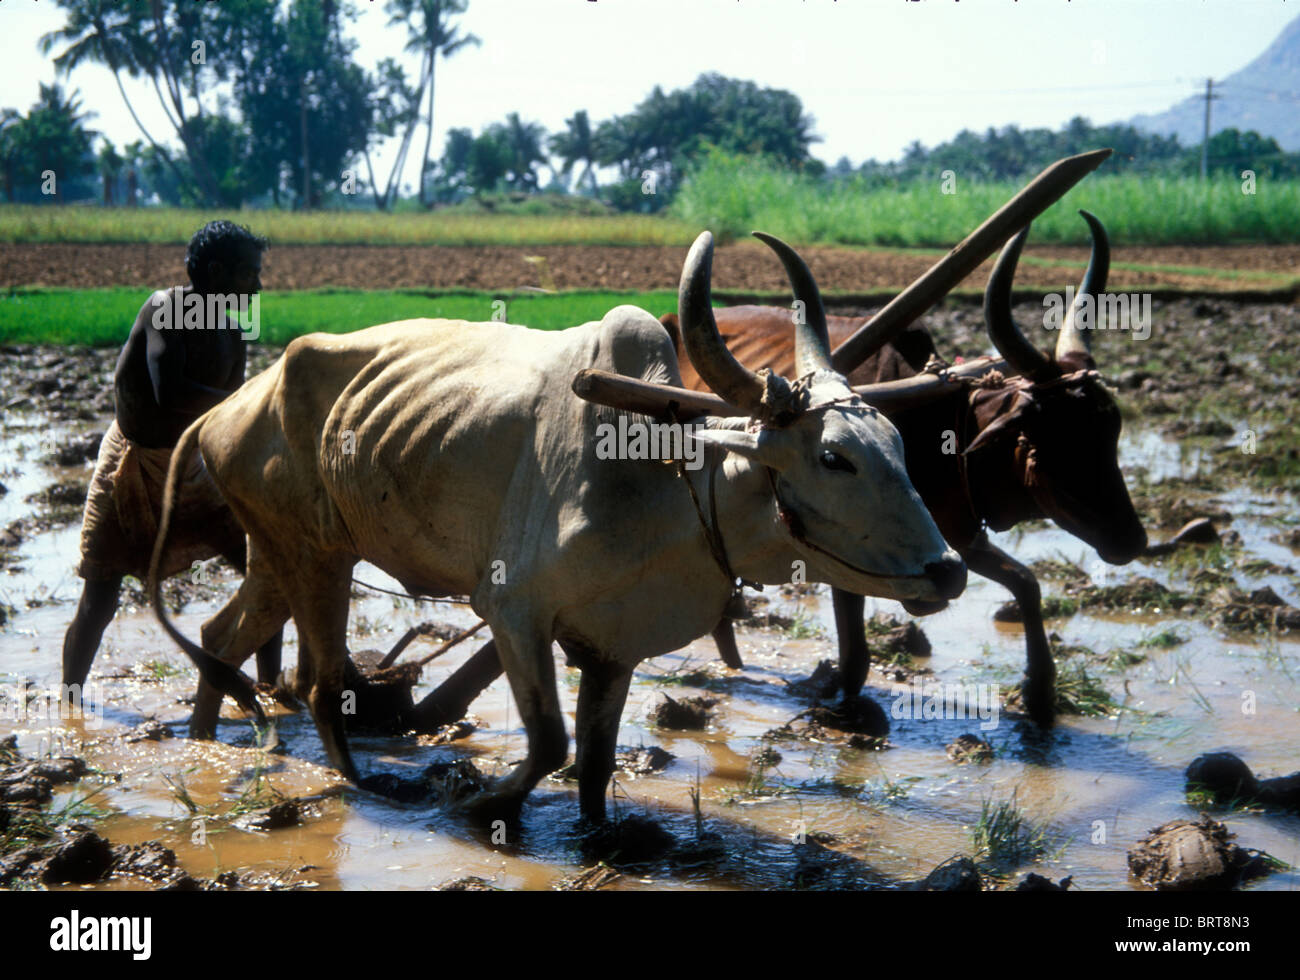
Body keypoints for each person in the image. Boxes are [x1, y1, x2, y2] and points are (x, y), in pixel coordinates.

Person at [61, 220, 282, 700]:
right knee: (100, 595)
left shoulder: (231, 323)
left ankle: (272, 690)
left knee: (267, 572)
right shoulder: (169, 309)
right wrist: (250, 399)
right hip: (133, 463)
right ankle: (71, 702)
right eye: (249, 274)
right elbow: (171, 393)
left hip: (193, 465)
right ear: (216, 272)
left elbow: (225, 414)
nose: (258, 286)